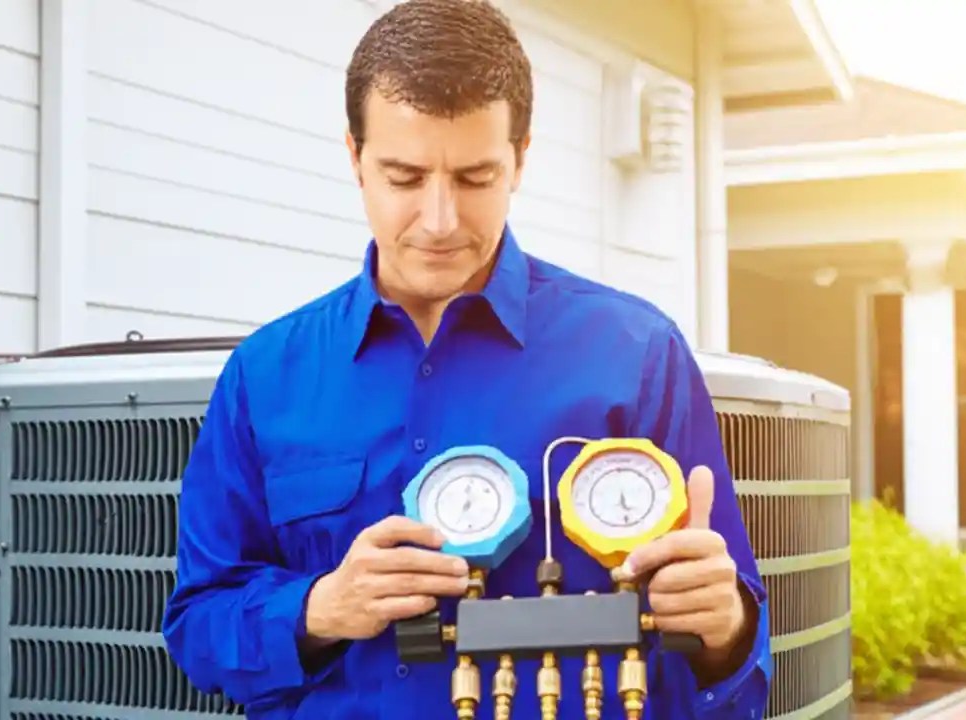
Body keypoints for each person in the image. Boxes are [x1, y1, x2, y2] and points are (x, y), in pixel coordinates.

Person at [161, 0, 772, 718]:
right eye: (405, 176)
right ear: (355, 159)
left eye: (476, 178)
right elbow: (198, 626)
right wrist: (322, 605)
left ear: (521, 159)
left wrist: (723, 623)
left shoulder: (636, 355)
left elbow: (739, 660)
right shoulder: (264, 379)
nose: (441, 220)